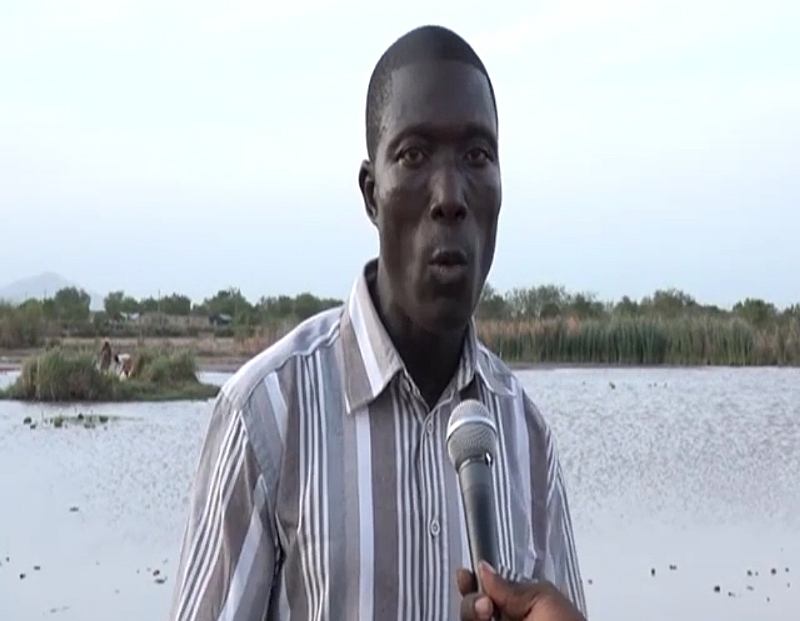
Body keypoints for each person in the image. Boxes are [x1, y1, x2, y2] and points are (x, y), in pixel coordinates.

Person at [169, 25, 587, 621]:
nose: (449, 196)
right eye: (414, 155)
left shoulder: (525, 434)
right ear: (372, 195)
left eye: (477, 156)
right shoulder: (267, 416)